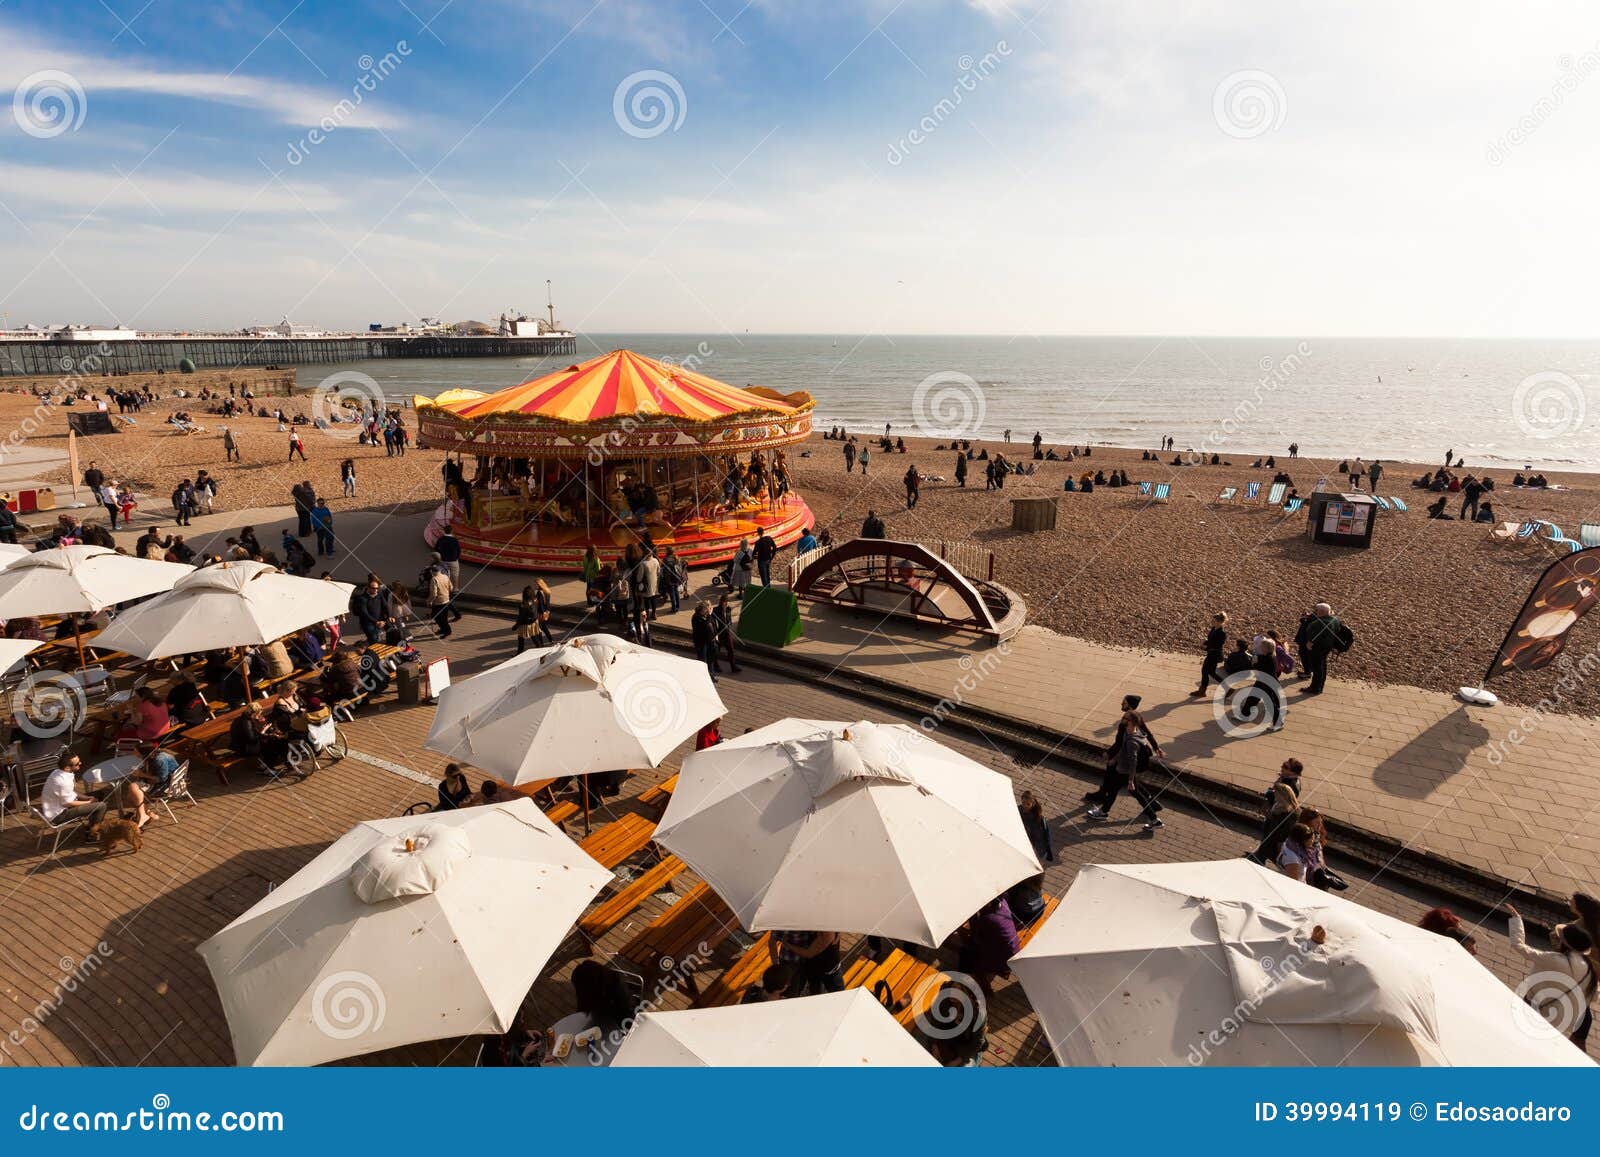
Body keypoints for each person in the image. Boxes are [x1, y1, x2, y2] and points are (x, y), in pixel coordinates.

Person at [1503, 902, 1598, 1048]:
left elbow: (1519, 946)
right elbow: (1595, 996)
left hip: (1534, 1008)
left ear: (1565, 942)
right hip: (1560, 1020)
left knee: (1516, 1041)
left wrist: (1516, 918)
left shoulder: (1555, 959)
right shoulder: (1589, 970)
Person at [1086, 696, 1165, 832]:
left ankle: (1103, 811)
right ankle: (1154, 817)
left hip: (1125, 769)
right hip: (1123, 766)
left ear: (1131, 722)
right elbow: (1123, 745)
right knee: (1131, 792)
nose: (1122, 721)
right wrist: (1114, 757)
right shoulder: (1132, 728)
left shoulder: (1132, 740)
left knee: (1117, 789)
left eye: (1125, 719)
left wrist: (1129, 779)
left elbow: (1131, 758)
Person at [954, 897, 1020, 995]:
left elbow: (975, 936)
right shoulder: (1003, 902)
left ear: (987, 904)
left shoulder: (989, 919)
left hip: (1004, 961)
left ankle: (981, 988)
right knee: (970, 948)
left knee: (966, 952)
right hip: (1013, 948)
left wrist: (972, 916)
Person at [40, 751, 108, 831]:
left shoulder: (58, 772)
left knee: (100, 793)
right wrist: (89, 802)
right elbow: (67, 803)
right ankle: (92, 834)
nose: (80, 763)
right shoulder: (63, 782)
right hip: (59, 815)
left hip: (60, 806)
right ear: (67, 768)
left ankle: (92, 823)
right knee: (101, 806)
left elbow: (71, 793)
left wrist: (87, 797)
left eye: (79, 761)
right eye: (77, 764)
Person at [1295, 602, 1350, 696]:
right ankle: (1320, 686)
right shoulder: (1335, 619)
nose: (1315, 612)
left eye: (1316, 611)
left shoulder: (1319, 622)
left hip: (1318, 647)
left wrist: (1309, 643)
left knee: (1317, 668)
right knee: (1322, 666)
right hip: (1327, 646)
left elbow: (1313, 634)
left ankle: (1315, 688)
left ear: (1321, 612)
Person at [774, 930, 843, 995]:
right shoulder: (813, 926)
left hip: (830, 972)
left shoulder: (828, 932)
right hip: (813, 970)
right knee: (815, 997)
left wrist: (787, 944)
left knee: (839, 998)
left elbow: (808, 953)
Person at [1192, 611, 1228, 696]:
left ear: (1220, 622)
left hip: (1215, 655)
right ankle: (1228, 688)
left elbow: (1217, 645)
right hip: (1211, 653)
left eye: (1214, 621)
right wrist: (1205, 642)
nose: (1212, 622)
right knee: (1212, 672)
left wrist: (1205, 647)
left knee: (1205, 670)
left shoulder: (1222, 633)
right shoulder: (1214, 629)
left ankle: (1202, 691)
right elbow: (1211, 641)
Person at [351, 576, 394, 643]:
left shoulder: (379, 594)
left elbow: (385, 606)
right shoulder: (362, 598)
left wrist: (389, 616)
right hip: (368, 623)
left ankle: (368, 646)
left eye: (377, 588)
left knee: (376, 637)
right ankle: (370, 650)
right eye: (373, 588)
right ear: (368, 588)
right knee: (374, 638)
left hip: (379, 621)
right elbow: (364, 613)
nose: (376, 590)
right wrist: (376, 622)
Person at [515, 582, 553, 653]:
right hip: (534, 622)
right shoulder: (535, 600)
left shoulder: (523, 604)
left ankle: (519, 652)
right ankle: (541, 649)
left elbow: (521, 616)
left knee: (521, 639)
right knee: (535, 637)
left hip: (525, 624)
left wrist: (516, 625)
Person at [1018, 789, 1054, 863]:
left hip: (1033, 846)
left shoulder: (1037, 818)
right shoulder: (1018, 810)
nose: (1025, 806)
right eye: (1023, 802)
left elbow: (1038, 837)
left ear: (1033, 804)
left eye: (1028, 804)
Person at [712, 592, 740, 674]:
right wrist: (716, 632)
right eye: (725, 602)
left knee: (731, 649)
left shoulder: (728, 609)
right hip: (719, 633)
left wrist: (729, 623)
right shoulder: (715, 610)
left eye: (728, 602)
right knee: (717, 651)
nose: (727, 603)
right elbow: (713, 622)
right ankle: (715, 665)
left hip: (727, 632)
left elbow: (729, 619)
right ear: (721, 602)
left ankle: (733, 666)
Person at [691, 600, 719, 680]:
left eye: (709, 609)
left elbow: (713, 625)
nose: (708, 611)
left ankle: (711, 676)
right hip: (701, 643)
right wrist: (709, 616)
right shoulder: (696, 617)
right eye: (707, 609)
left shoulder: (708, 616)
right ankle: (703, 677)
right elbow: (705, 626)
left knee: (710, 660)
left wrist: (716, 634)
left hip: (710, 641)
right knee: (703, 661)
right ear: (703, 609)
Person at [427, 561, 455, 638]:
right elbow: (451, 588)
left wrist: (429, 601)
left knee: (437, 617)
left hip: (438, 602)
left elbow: (434, 594)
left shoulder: (434, 579)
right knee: (443, 617)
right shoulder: (445, 576)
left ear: (432, 571)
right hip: (446, 600)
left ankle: (447, 631)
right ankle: (444, 629)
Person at [659, 546, 686, 614]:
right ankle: (677, 607)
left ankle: (674, 609)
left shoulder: (666, 559)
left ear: (667, 551)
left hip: (669, 579)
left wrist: (667, 580)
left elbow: (665, 571)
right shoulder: (676, 557)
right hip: (676, 578)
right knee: (676, 593)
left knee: (672, 594)